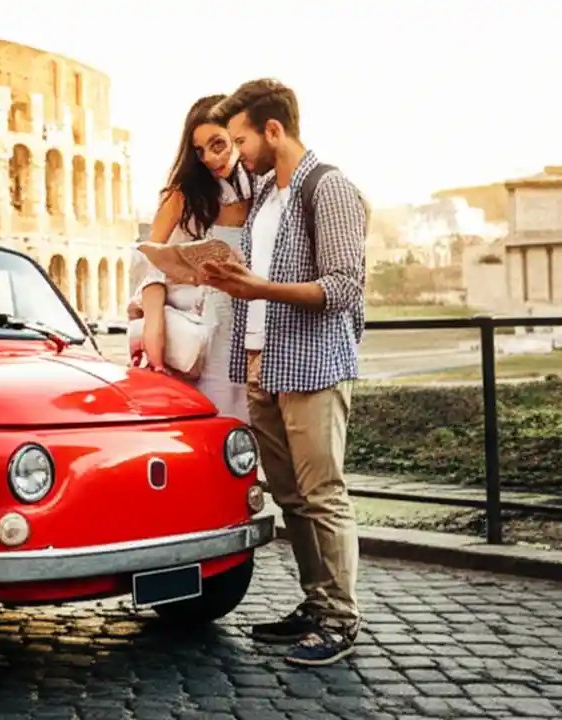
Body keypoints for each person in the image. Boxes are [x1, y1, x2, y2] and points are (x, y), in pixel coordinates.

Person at [198, 78, 368, 667]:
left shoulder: (330, 188)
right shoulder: (267, 193)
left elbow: (345, 288)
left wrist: (259, 287)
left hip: (316, 368)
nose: (236, 150)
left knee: (323, 496)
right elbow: (256, 281)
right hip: (264, 365)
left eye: (240, 139)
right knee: (291, 498)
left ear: (273, 130)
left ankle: (341, 620)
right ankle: (315, 604)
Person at [127, 94, 253, 422]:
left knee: (244, 438)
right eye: (200, 150)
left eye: (218, 145)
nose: (210, 158)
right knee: (206, 428)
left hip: (245, 331)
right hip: (194, 335)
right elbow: (149, 264)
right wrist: (154, 339)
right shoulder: (181, 197)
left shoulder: (258, 196)